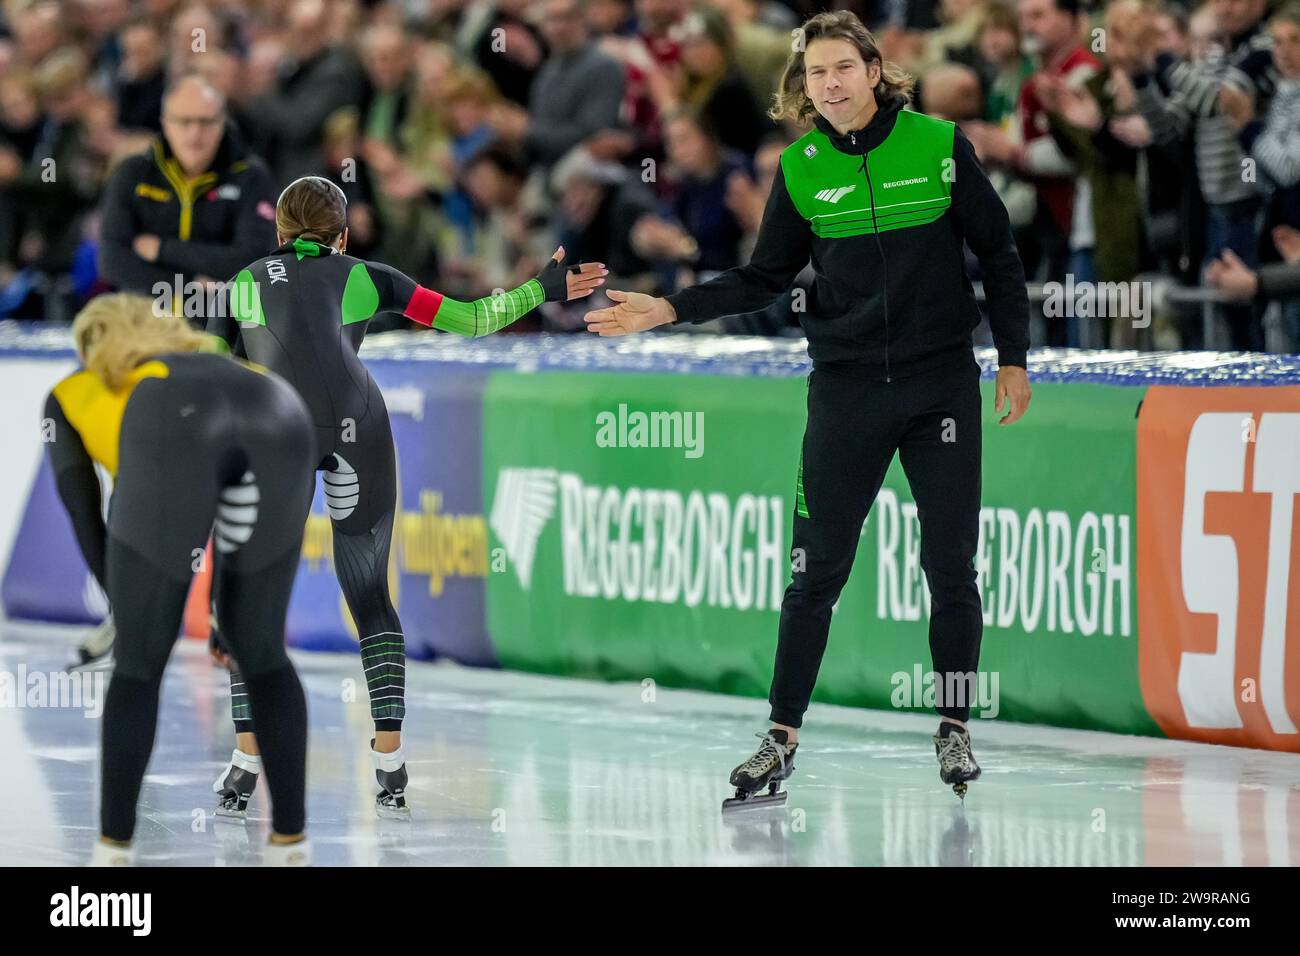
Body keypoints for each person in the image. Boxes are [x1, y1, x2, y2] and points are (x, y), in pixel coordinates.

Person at [585, 10, 1031, 805]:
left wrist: (1015, 361)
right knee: (812, 573)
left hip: (940, 387)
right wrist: (669, 309)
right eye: (816, 72)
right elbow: (764, 278)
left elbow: (997, 251)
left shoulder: (937, 145)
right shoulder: (802, 167)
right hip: (847, 389)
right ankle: (780, 737)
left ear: (873, 69)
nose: (829, 84)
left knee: (950, 565)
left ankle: (955, 728)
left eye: (842, 69)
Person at [206, 176, 606, 819]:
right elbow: (474, 321)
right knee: (368, 598)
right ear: (342, 236)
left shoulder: (246, 282)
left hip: (276, 436)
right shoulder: (371, 275)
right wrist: (542, 287)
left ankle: (246, 765)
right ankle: (389, 766)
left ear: (278, 234)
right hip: (361, 427)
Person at [45, 293, 316, 866]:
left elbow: (83, 507)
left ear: (95, 347)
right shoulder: (226, 360)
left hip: (173, 419)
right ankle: (292, 843)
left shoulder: (79, 389)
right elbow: (227, 511)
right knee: (262, 652)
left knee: (139, 667)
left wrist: (127, 605)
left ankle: (112, 850)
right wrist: (226, 613)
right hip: (281, 407)